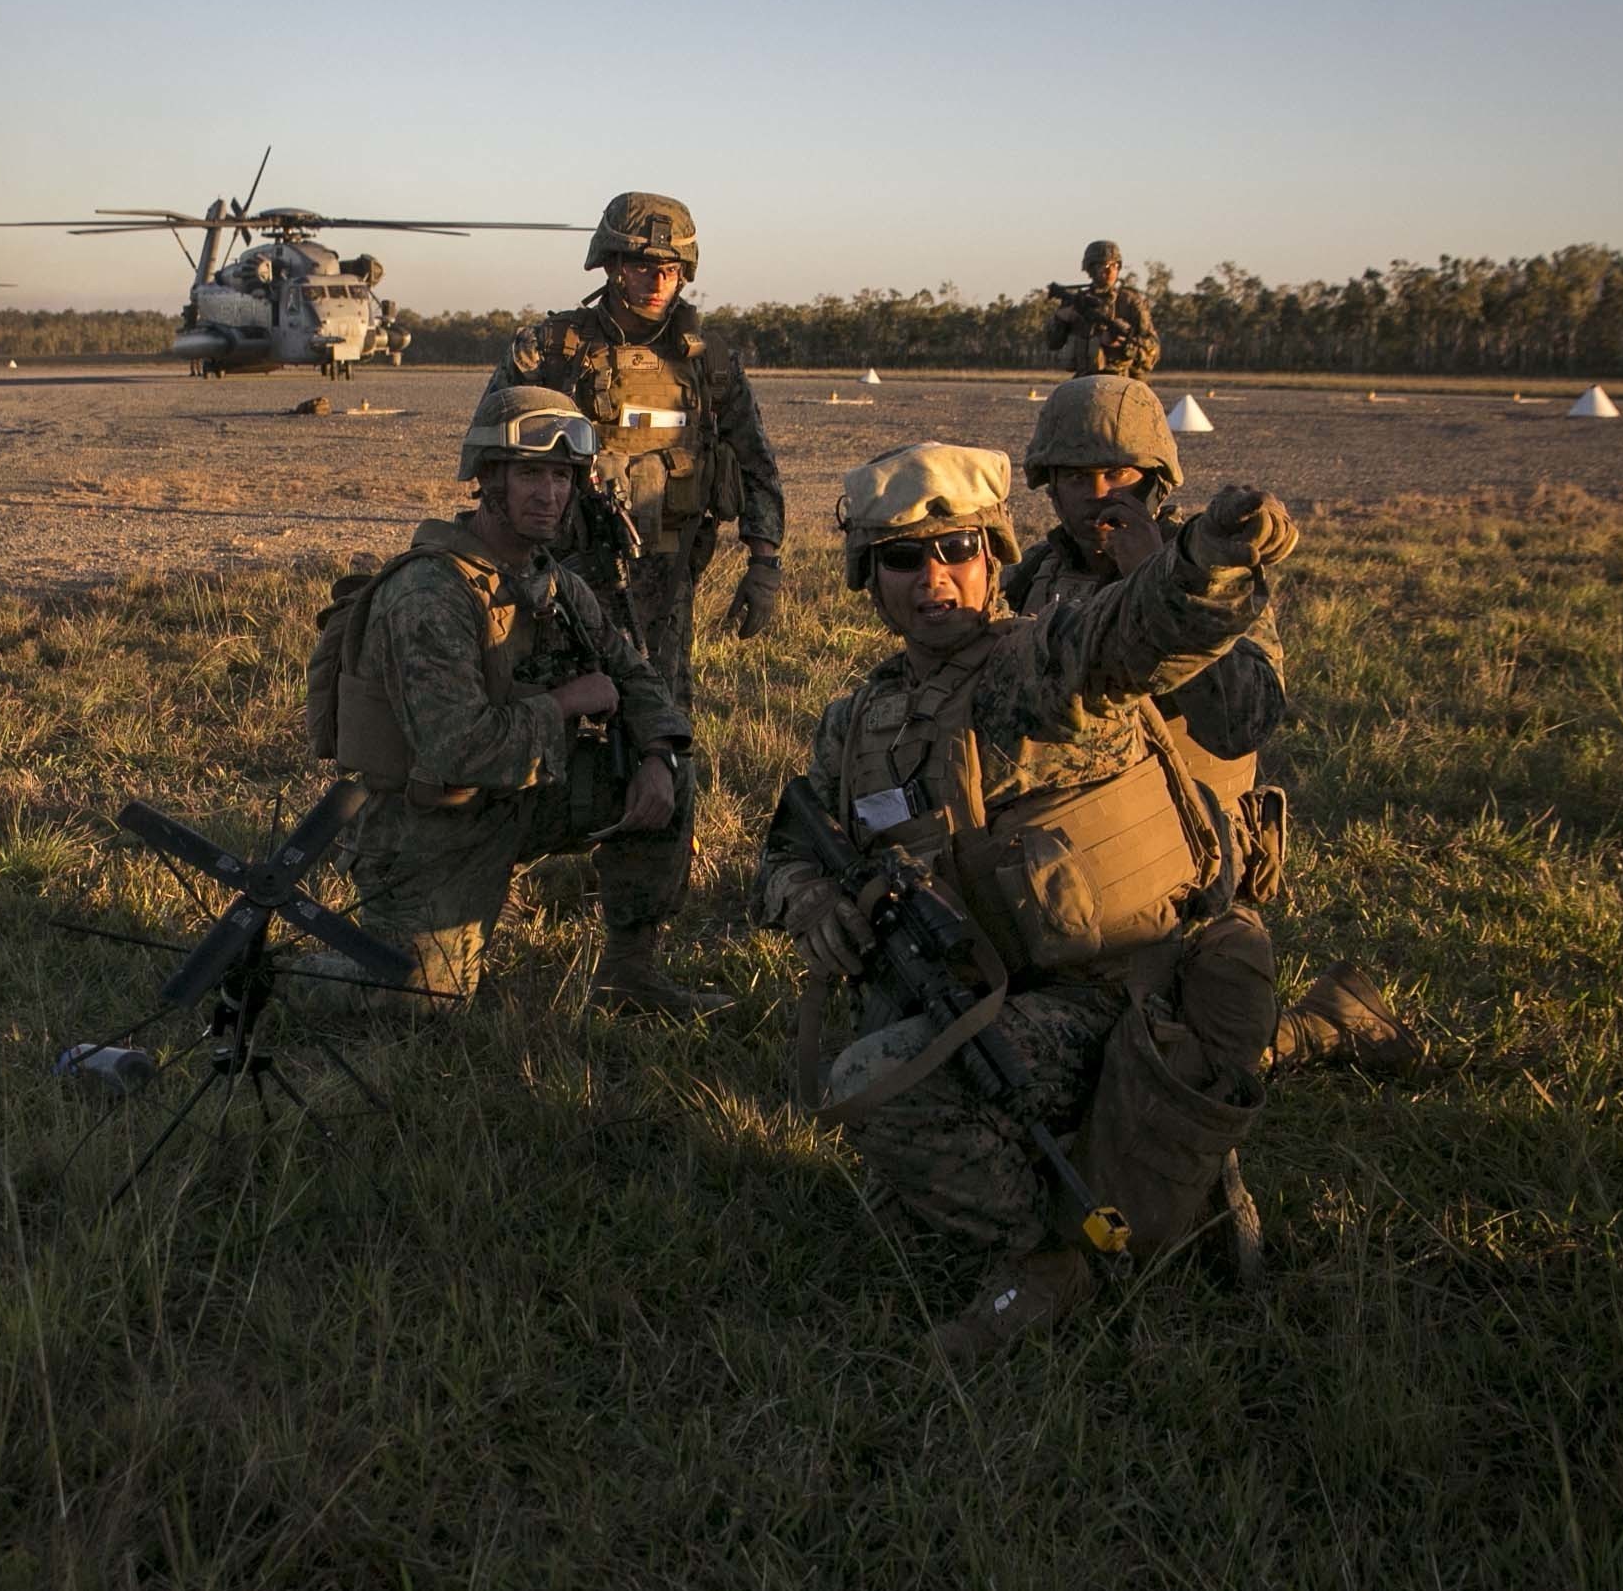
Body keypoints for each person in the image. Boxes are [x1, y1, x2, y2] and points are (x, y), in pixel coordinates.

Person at [755, 438, 1298, 1357]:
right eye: (902, 559)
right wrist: (815, 907)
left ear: (994, 557)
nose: (934, 578)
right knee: (896, 1090)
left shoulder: (1038, 671)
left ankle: (1063, 1247)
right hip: (992, 989)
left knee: (879, 1088)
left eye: (958, 550)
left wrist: (1205, 560)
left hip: (1119, 997)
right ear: (867, 576)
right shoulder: (857, 722)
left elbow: (1137, 629)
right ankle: (1130, 1163)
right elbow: (782, 853)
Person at [1003, 375, 1420, 1074]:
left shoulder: (1213, 578)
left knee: (1188, 1059)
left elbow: (1240, 722)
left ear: (1157, 482)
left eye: (1120, 474)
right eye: (1077, 476)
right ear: (1048, 483)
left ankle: (1328, 1025)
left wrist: (1164, 591)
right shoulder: (1035, 576)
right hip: (1062, 860)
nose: (1101, 493)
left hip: (1186, 865)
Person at [308, 386, 706, 1014]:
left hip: (518, 801)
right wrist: (566, 703)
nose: (549, 494)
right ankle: (266, 975)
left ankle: (631, 976)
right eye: (529, 474)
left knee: (673, 775)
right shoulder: (432, 594)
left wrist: (658, 752)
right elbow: (455, 751)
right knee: (422, 1001)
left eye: (560, 476)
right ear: (487, 479)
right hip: (428, 829)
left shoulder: (553, 582)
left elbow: (636, 677)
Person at [480, 194, 785, 1011]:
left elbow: (756, 464)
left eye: (671, 266)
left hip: (662, 603)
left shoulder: (709, 360)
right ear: (607, 265)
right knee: (509, 743)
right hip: (546, 596)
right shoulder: (548, 349)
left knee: (661, 753)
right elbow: (485, 459)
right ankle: (463, 919)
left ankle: (633, 963)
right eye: (639, 263)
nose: (655, 279)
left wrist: (765, 561)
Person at [1045, 240, 1161, 380]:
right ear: (1091, 269)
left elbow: (1153, 352)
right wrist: (1060, 319)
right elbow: (1053, 343)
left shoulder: (1130, 302)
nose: (1110, 270)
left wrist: (1123, 345)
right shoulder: (1077, 302)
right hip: (1083, 381)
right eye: (1104, 265)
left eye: (1115, 265)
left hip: (1124, 381)